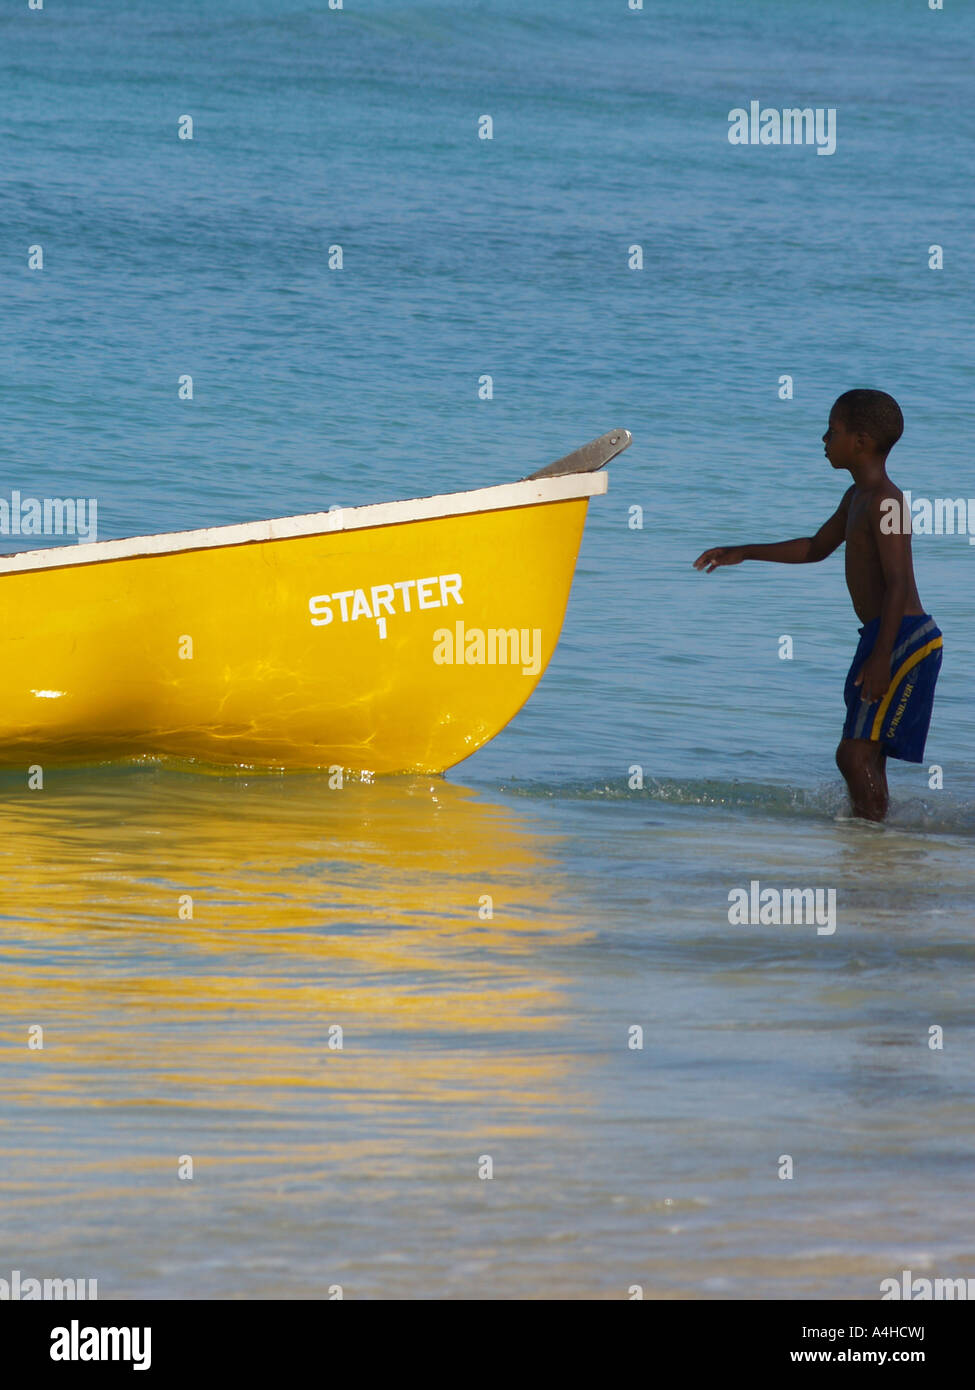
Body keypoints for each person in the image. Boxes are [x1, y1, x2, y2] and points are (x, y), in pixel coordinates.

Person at [694, 389, 942, 822]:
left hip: (902, 638)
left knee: (853, 756)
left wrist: (882, 656)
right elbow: (815, 547)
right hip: (882, 635)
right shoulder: (857, 497)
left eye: (832, 431)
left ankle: (872, 841)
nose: (823, 439)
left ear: (861, 441)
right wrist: (744, 550)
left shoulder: (887, 500)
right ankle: (876, 849)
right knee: (865, 754)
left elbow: (900, 582)